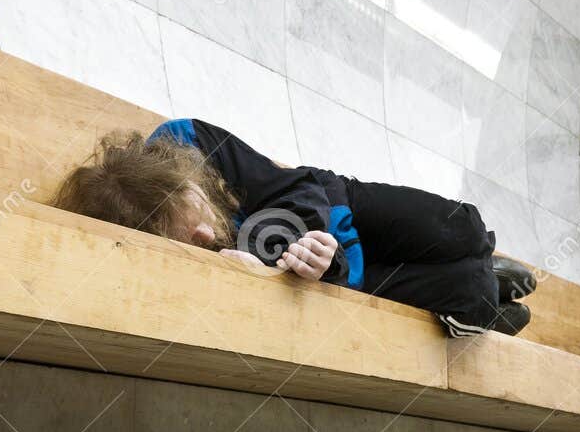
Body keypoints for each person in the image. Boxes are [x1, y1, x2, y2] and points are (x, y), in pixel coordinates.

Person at [51, 118, 535, 337]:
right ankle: (487, 296)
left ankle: (487, 288)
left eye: (197, 215)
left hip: (338, 205)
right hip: (340, 280)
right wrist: (292, 270)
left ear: (185, 179)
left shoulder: (186, 139)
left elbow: (293, 185)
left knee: (467, 227)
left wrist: (280, 247)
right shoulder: (159, 252)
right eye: (188, 241)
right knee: (466, 289)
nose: (205, 237)